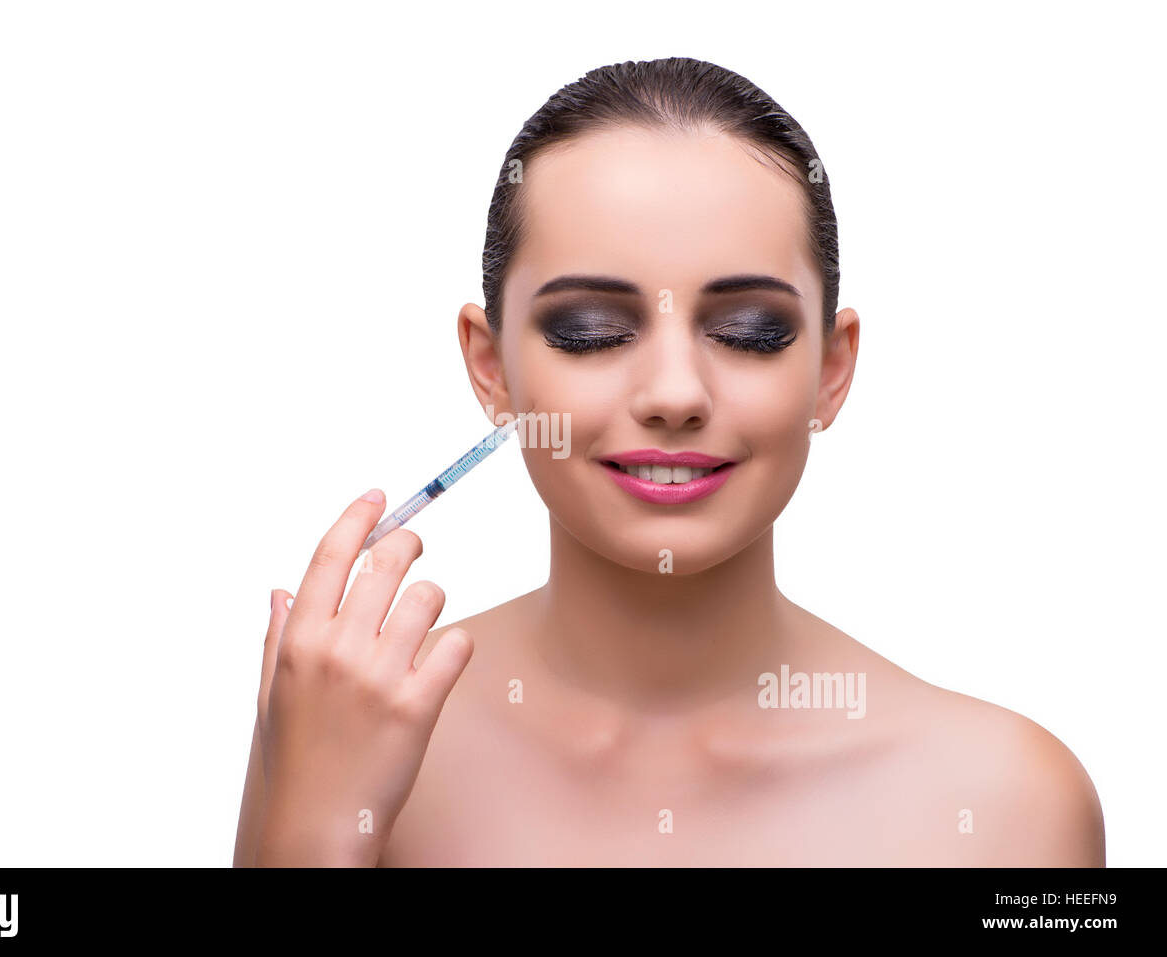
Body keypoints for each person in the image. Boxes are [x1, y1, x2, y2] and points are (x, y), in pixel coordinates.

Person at [234, 56, 1105, 867]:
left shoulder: (1010, 806)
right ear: (490, 367)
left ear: (830, 372)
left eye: (748, 332)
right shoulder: (339, 729)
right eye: (591, 332)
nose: (675, 391)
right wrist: (311, 830)